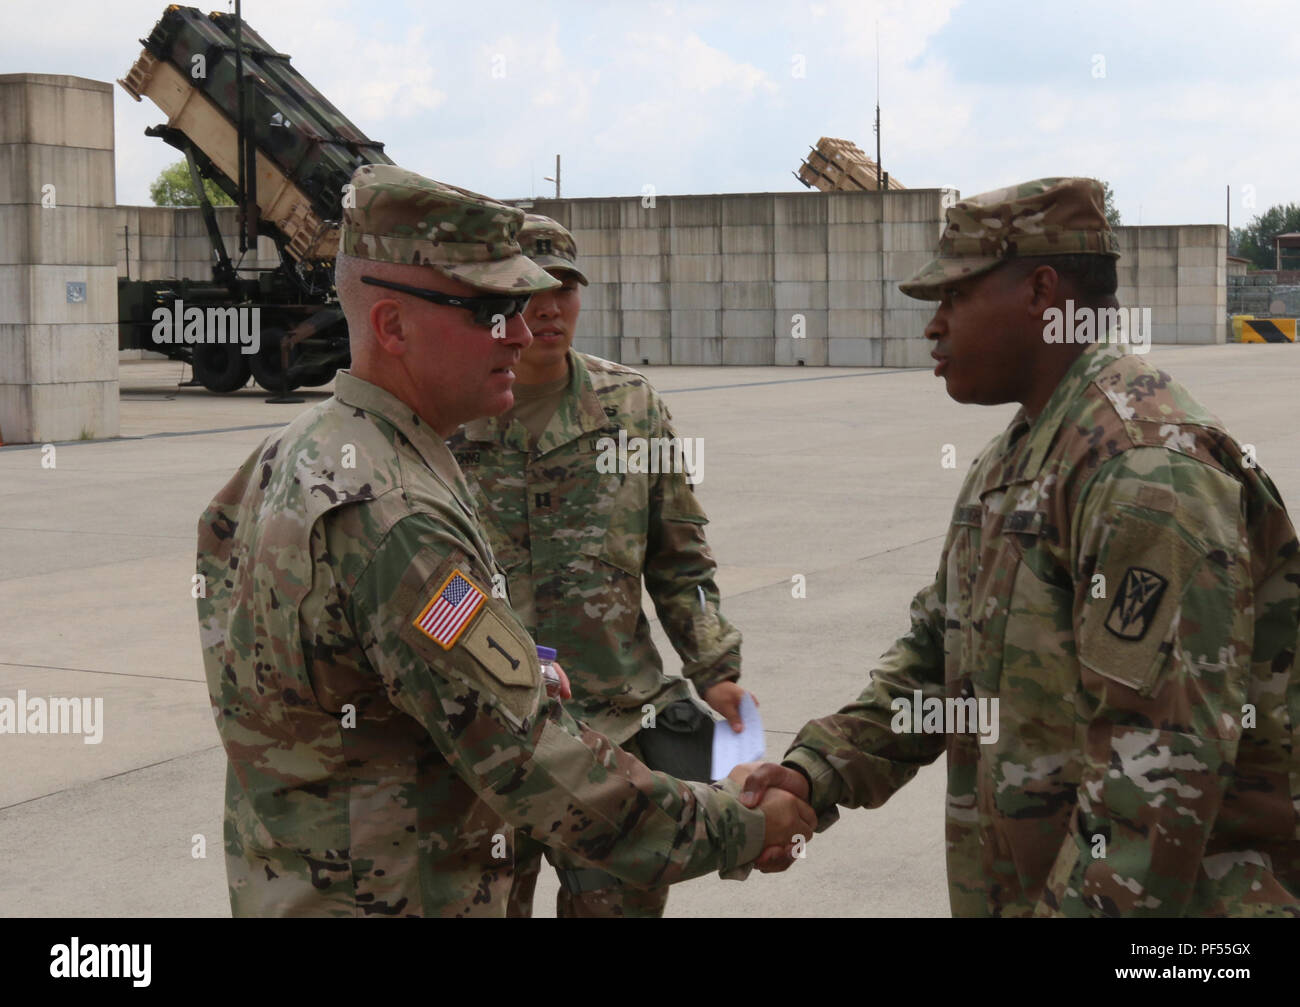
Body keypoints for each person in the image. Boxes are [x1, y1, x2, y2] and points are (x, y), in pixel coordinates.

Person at [194, 163, 814, 917]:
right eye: (490, 309)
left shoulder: (289, 454)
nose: (522, 331)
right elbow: (537, 763)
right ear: (392, 325)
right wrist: (745, 824)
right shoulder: (399, 519)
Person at [740, 177, 1300, 917]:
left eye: (954, 297)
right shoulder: (1015, 460)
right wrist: (815, 771)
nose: (934, 326)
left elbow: (1155, 777)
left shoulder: (1145, 472)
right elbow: (937, 665)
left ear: (1041, 291)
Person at [448, 214, 754, 917]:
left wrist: (718, 668)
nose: (550, 308)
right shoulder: (449, 416)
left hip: (613, 733)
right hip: (492, 738)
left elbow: (680, 557)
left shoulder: (631, 408)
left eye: (566, 288)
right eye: (529, 291)